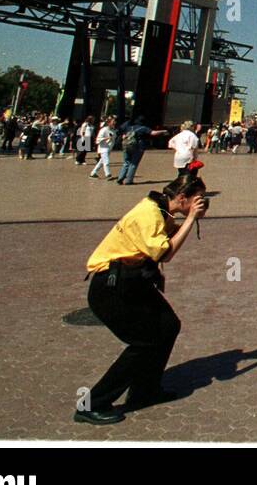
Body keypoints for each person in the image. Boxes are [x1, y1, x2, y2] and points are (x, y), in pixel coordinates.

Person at [76, 173, 207, 425]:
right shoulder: (149, 214)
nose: (202, 203)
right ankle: (92, 403)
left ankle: (145, 391)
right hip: (111, 287)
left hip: (132, 282)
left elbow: (167, 238)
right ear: (182, 198)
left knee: (168, 326)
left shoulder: (160, 210)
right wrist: (191, 218)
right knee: (144, 342)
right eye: (198, 199)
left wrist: (189, 219)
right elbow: (165, 253)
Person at [117, 117, 166, 186]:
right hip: (138, 147)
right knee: (133, 164)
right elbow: (153, 133)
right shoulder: (143, 128)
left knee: (126, 162)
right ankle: (129, 180)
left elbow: (122, 134)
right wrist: (163, 131)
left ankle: (120, 178)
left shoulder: (129, 128)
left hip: (126, 147)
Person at [90, 115, 117, 180]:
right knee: (106, 162)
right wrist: (106, 138)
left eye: (114, 121)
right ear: (108, 122)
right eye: (113, 122)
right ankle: (108, 174)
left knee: (101, 162)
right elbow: (98, 139)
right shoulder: (104, 130)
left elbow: (114, 138)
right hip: (103, 148)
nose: (114, 123)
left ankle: (93, 173)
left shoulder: (113, 130)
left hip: (109, 148)